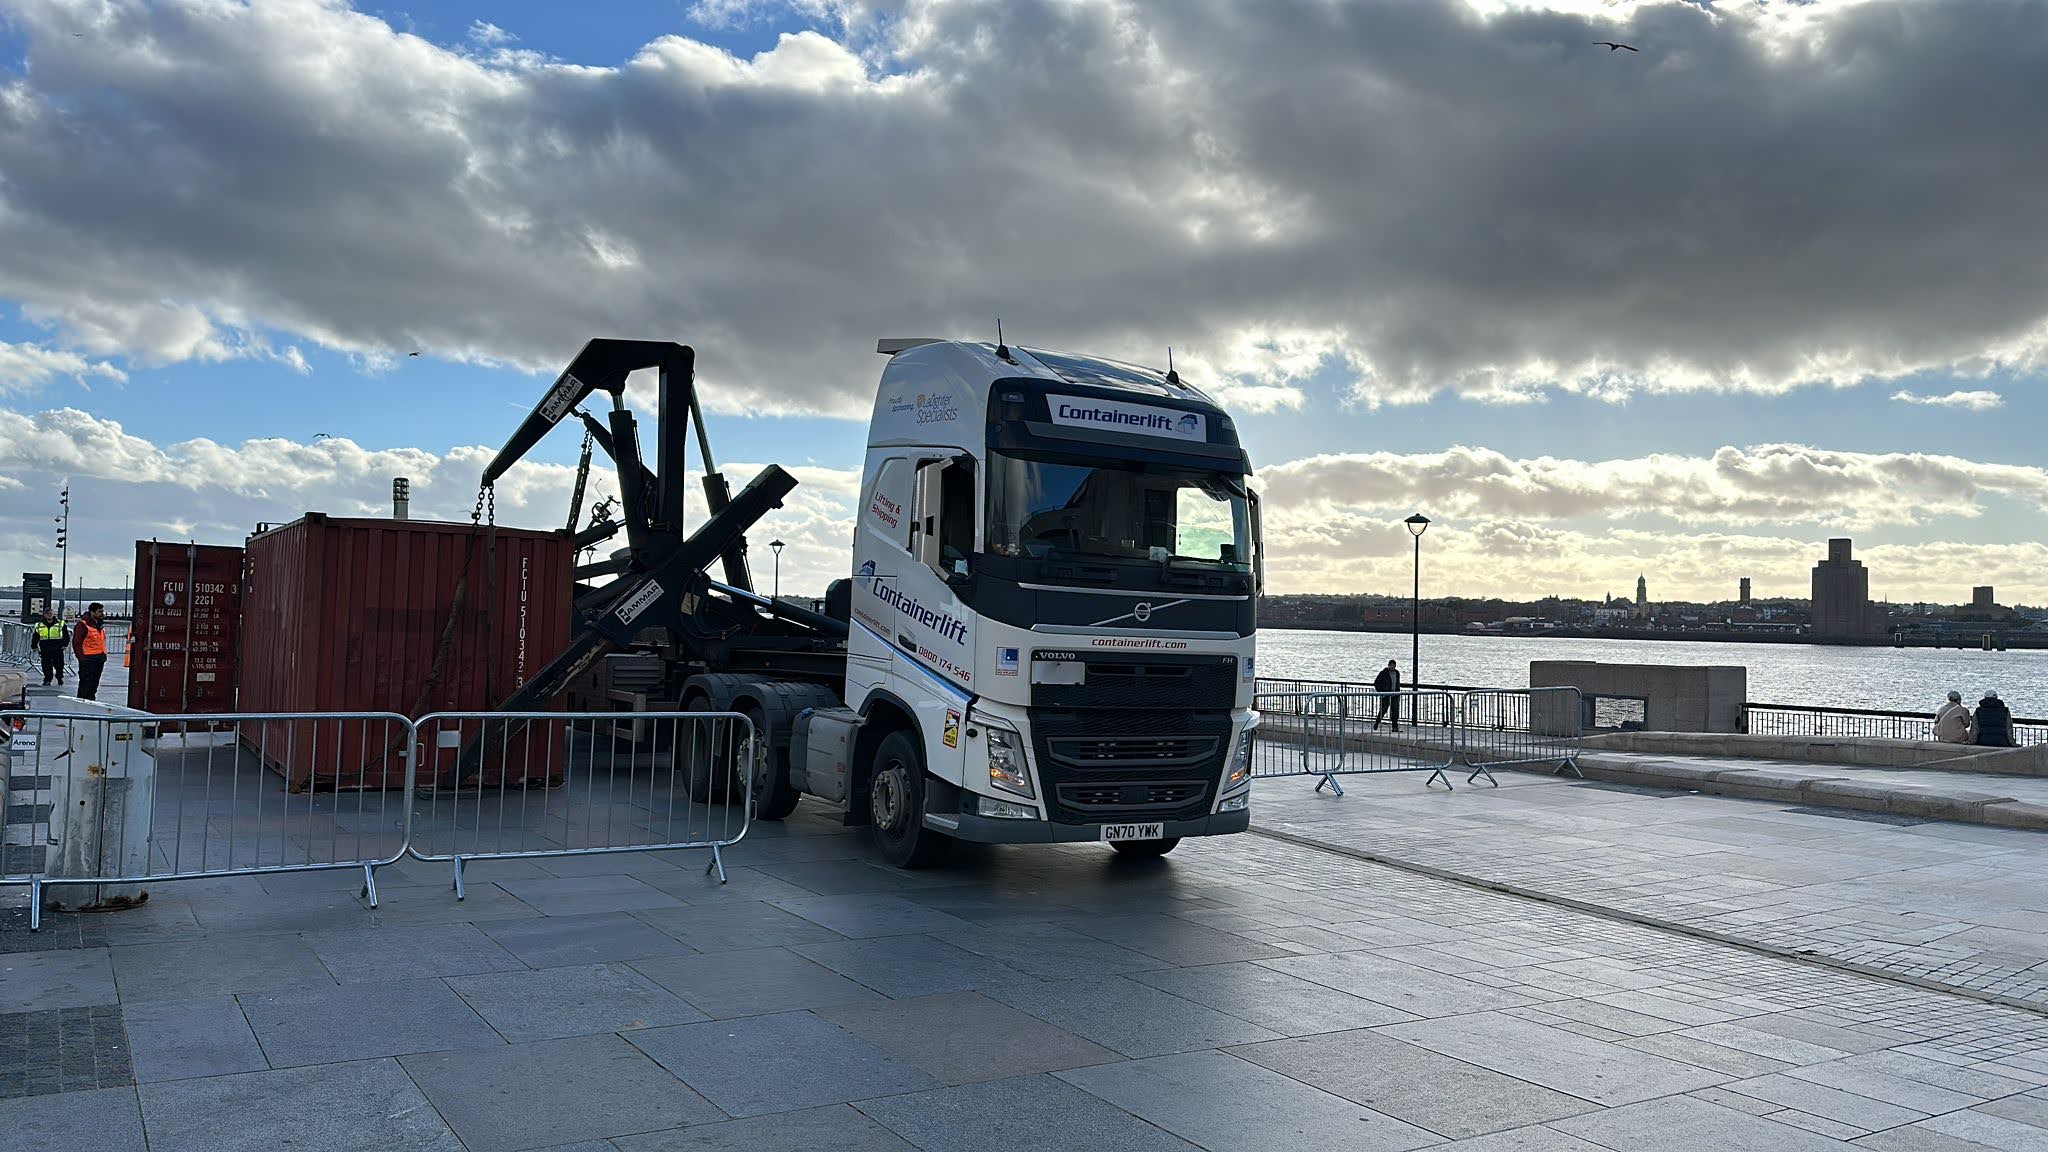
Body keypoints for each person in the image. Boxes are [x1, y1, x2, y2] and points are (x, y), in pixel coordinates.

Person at [72, 602, 108, 702]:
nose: (102, 614)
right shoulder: (83, 625)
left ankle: (91, 701)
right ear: (92, 612)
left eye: (102, 611)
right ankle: (81, 703)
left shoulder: (99, 625)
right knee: (85, 683)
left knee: (94, 683)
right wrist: (82, 659)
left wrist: (103, 656)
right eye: (99, 612)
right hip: (88, 659)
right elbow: (76, 643)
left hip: (99, 658)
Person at [35, 609, 68, 686]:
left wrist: (65, 644)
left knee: (59, 665)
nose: (49, 615)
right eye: (47, 613)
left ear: (53, 614)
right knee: (46, 665)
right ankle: (47, 679)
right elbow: (36, 636)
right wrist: (34, 646)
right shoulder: (39, 625)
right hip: (45, 647)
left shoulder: (61, 623)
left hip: (58, 647)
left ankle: (59, 678)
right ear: (44, 615)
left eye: (50, 613)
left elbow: (66, 635)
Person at [1371, 659, 1401, 731]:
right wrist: (1381, 691)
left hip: (1395, 695)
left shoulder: (1397, 673)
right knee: (1383, 710)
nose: (1392, 667)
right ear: (1388, 665)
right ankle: (1377, 723)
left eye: (1393, 665)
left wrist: (1398, 692)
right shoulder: (1383, 673)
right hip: (1386, 695)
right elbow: (1376, 683)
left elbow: (1397, 683)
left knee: (1395, 712)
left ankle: (1395, 727)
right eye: (1391, 665)